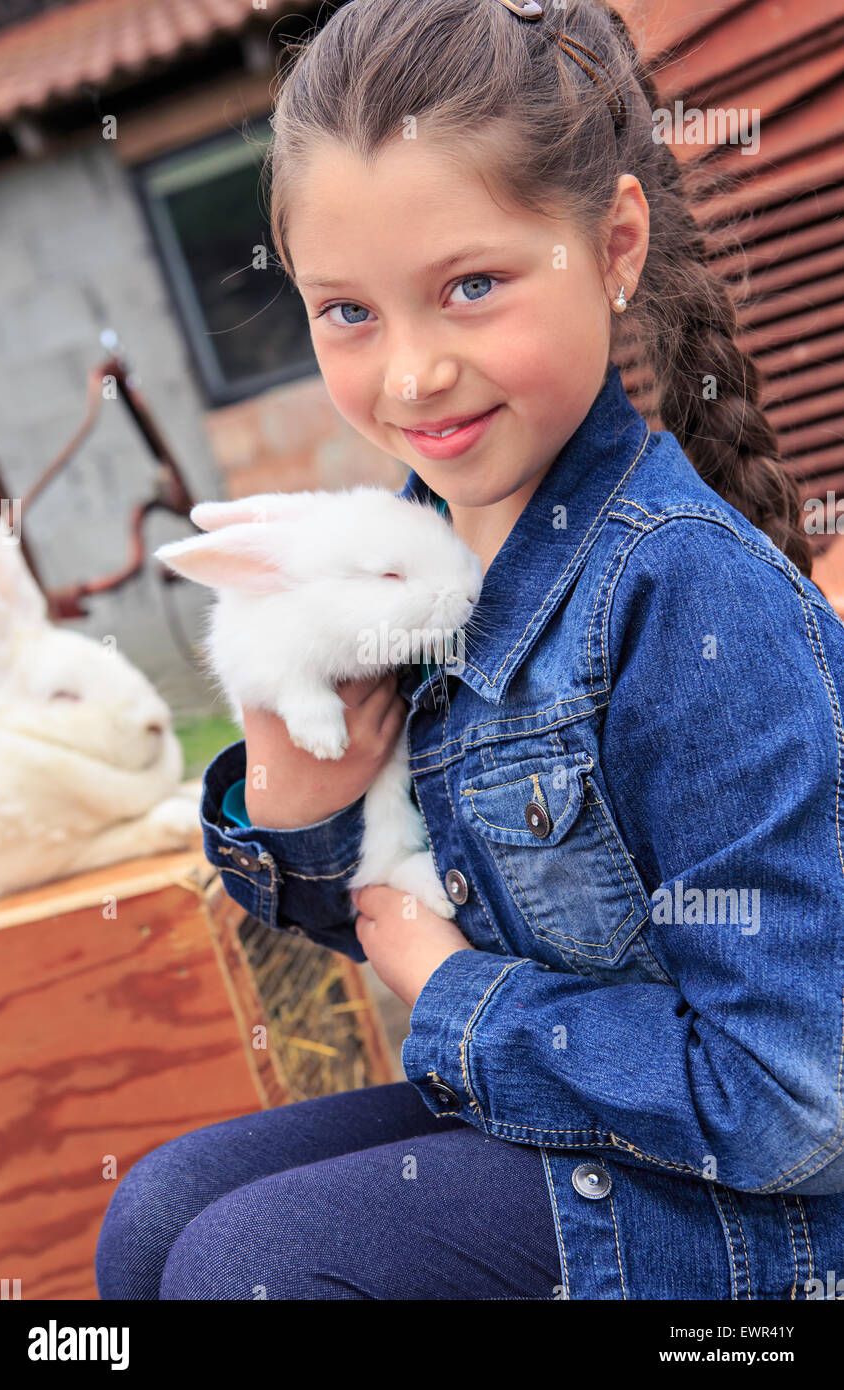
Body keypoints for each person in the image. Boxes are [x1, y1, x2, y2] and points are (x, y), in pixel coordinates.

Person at [95, 0, 844, 1299]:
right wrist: (298, 806)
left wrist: (453, 993)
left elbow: (794, 1099)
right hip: (599, 1124)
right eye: (347, 312)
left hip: (761, 1210)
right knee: (156, 1211)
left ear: (611, 245)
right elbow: (402, 899)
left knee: (246, 1264)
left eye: (470, 287)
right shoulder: (413, 552)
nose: (411, 375)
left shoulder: (682, 596)